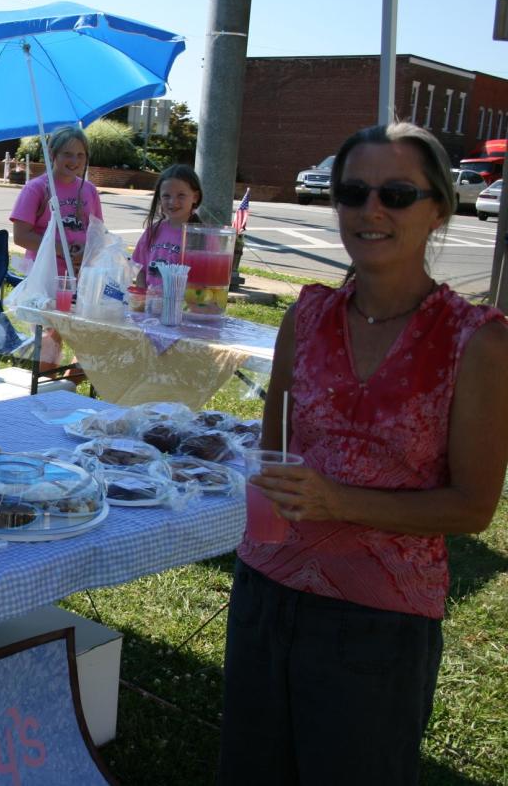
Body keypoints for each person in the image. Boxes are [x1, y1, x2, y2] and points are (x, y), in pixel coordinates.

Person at [217, 121, 508, 785]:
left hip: (377, 620)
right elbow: (275, 450)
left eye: (397, 194)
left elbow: (473, 507)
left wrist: (338, 500)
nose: (370, 210)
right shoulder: (308, 316)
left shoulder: (477, 342)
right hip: (266, 593)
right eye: (353, 192)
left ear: (439, 208)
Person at [9, 126, 103, 373]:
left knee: (92, 342)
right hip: (46, 279)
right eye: (67, 154)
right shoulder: (37, 188)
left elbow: (97, 233)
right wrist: (58, 250)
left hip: (81, 279)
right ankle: (43, 390)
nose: (74, 161)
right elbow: (21, 235)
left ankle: (65, 386)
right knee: (52, 338)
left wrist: (88, 252)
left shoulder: (89, 191)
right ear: (53, 154)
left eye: (80, 155)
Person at [131, 163, 203, 285]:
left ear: (195, 197)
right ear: (159, 198)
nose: (173, 202)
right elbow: (140, 270)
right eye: (166, 196)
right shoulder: (152, 231)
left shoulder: (203, 237)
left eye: (181, 195)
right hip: (151, 303)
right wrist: (143, 296)